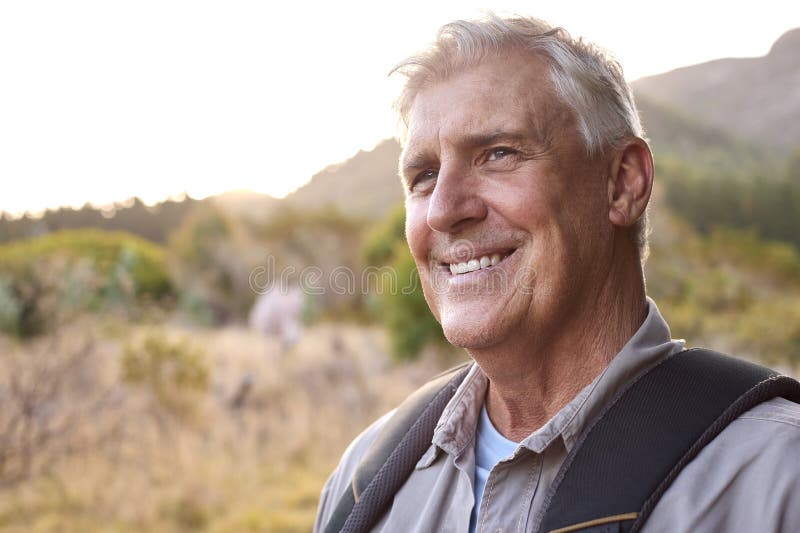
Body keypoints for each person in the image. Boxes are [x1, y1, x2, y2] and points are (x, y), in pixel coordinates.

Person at [315, 14, 800, 533]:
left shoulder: (778, 480)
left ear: (622, 184)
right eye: (424, 176)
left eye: (498, 154)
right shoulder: (365, 481)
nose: (443, 210)